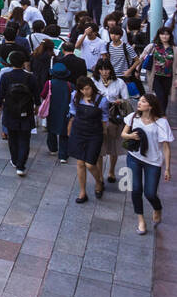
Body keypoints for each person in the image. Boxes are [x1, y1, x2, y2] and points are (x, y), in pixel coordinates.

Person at [120, 93, 173, 235]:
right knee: (136, 189)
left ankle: (157, 208)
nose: (139, 103)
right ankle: (141, 220)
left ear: (150, 106)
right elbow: (123, 134)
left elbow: (166, 147)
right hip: (134, 157)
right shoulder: (133, 117)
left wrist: (167, 168)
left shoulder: (161, 123)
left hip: (153, 162)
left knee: (150, 193)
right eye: (139, 100)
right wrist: (131, 136)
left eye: (143, 101)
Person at [0, 50, 38, 177]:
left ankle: (14, 159)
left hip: (10, 110)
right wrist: (36, 108)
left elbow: (0, 94)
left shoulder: (6, 76)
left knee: (12, 138)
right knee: (25, 138)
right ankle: (21, 165)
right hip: (26, 111)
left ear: (10, 62)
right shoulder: (30, 77)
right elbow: (36, 95)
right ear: (23, 62)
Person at [65, 77, 108, 205]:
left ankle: (98, 181)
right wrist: (69, 128)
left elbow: (105, 119)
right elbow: (72, 113)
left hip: (94, 133)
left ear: (92, 87)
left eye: (87, 88)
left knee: (90, 164)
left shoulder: (101, 100)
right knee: (80, 163)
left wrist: (105, 134)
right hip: (78, 131)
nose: (85, 92)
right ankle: (82, 191)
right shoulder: (75, 96)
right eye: (82, 89)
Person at [42, 61, 73, 163]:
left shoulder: (49, 83)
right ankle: (63, 155)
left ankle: (53, 148)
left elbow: (43, 95)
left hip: (51, 110)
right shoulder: (69, 85)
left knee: (51, 129)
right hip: (65, 111)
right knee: (64, 132)